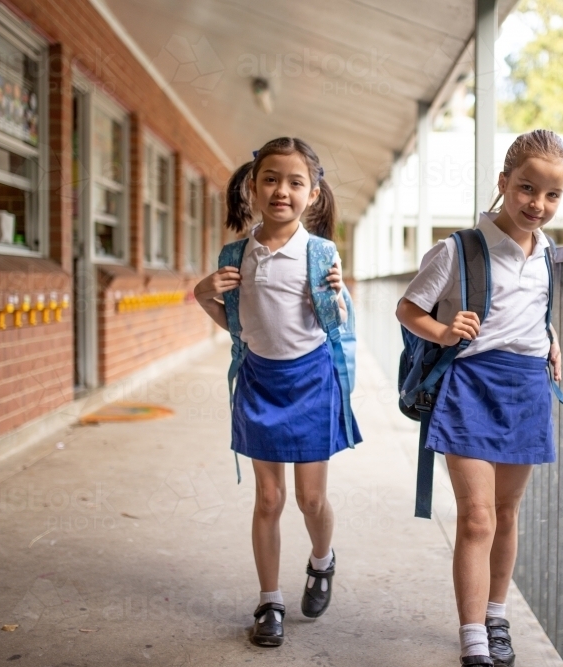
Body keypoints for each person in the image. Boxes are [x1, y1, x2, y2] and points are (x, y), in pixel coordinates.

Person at [395, 129, 563, 667]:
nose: (537, 205)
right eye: (526, 189)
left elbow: (530, 311)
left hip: (526, 389)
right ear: (503, 183)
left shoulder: (547, 254)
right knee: (476, 518)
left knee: (507, 511)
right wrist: (445, 333)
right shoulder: (457, 250)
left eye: (551, 195)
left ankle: (497, 615)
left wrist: (551, 339)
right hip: (469, 386)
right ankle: (473, 634)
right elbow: (408, 309)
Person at [194, 137, 362, 647]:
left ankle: (322, 561)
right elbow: (238, 326)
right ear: (252, 186)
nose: (281, 191)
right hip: (259, 380)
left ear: (313, 194)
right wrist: (204, 296)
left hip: (311, 381)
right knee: (269, 498)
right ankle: (270, 602)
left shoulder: (320, 252)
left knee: (311, 500)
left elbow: (338, 322)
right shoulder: (235, 254)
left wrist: (335, 293)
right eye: (270, 179)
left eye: (295, 182)